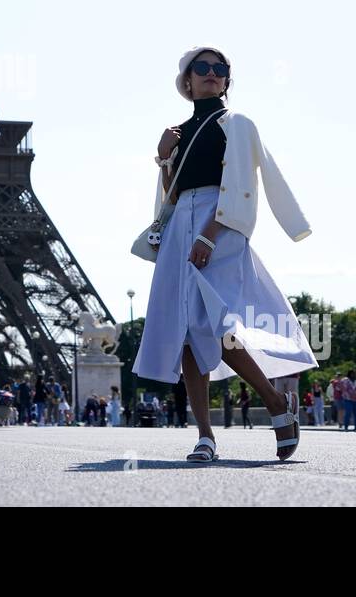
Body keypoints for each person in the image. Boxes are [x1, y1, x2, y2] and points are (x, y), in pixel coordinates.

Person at [133, 46, 315, 464]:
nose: (212, 73)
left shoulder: (236, 124)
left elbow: (240, 187)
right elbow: (173, 196)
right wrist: (163, 157)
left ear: (226, 81)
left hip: (222, 224)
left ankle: (272, 401)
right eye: (203, 67)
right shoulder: (177, 132)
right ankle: (205, 436)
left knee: (217, 322)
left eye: (221, 69)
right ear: (187, 80)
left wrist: (211, 234)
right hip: (183, 226)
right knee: (186, 331)